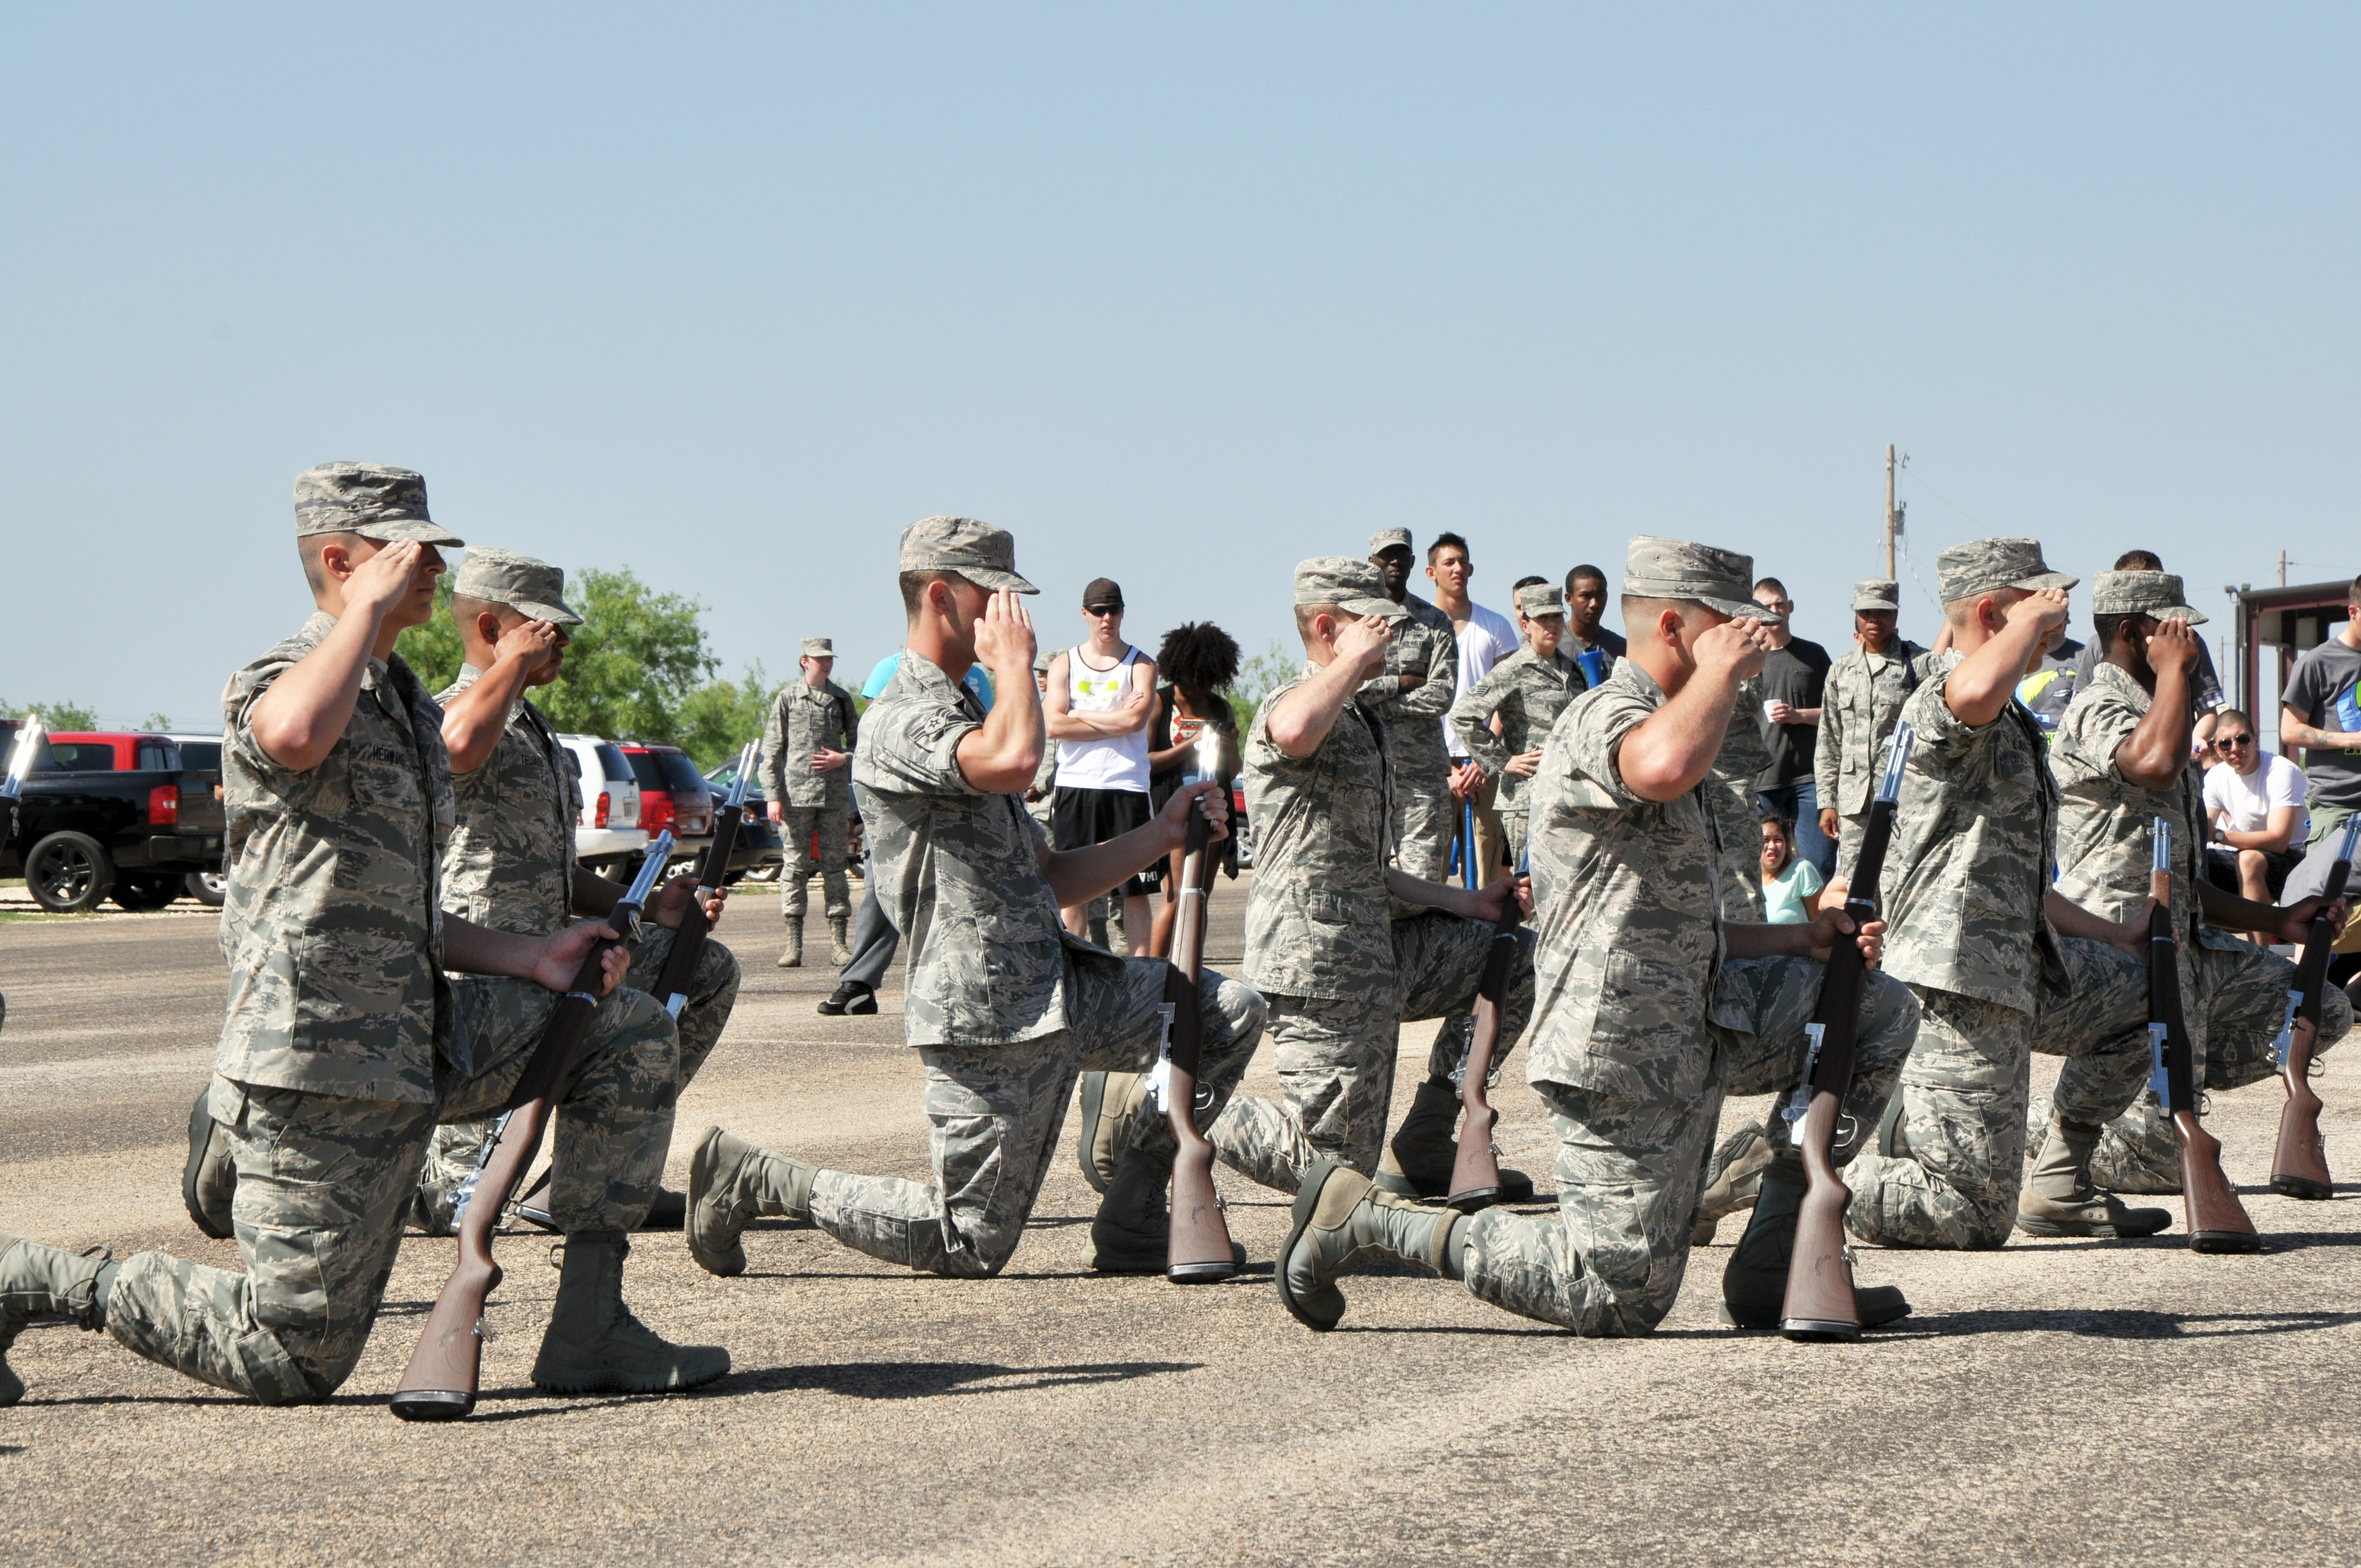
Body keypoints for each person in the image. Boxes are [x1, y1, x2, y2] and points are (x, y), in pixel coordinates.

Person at [8, 462, 725, 1410]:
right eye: (408, 549)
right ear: (343, 561)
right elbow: (294, 733)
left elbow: (402, 907)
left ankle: (589, 1322)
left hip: (420, 1033)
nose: (433, 565)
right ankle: (33, 1276)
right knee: (292, 1355)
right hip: (317, 1060)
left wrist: (526, 954)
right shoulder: (280, 675)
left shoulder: (404, 703)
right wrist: (359, 616)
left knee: (627, 1028)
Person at [1272, 537, 1921, 1337]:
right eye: (1736, 628)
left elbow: (1687, 929)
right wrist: (1719, 676)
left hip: (1703, 1017)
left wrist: (1804, 943)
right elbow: (1657, 765)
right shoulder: (1605, 716)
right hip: (1620, 1051)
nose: (1759, 642)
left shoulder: (1695, 733)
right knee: (1615, 1296)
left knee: (1878, 1012)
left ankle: (1776, 1259)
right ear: (1679, 627)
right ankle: (1365, 1220)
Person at [686, 516, 1264, 1280]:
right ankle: (754, 1178)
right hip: (985, 1018)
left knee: (1223, 1015)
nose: (1010, 616)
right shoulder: (901, 717)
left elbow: (1049, 872)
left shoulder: (964, 712)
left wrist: (1161, 834)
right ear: (941, 596)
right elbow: (1019, 759)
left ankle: (1131, 1215)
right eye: (995, 597)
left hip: (1062, 987)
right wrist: (1021, 668)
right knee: (968, 1242)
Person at [1840, 540, 2184, 1251]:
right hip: (1960, 978)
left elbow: (2018, 875)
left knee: (2148, 993)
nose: (2056, 623)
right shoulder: (1940, 691)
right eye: (2038, 605)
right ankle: (1791, 1172)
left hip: (2025, 963)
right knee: (1969, 1213)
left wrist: (2114, 935)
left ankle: (2062, 1176)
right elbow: (1967, 693)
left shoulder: (2015, 719)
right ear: (1994, 612)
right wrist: (2028, 624)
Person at [1171, 557, 1535, 1208]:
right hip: (1318, 966)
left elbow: (1371, 868)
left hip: (1380, 949)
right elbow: (1289, 730)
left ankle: (1429, 1131)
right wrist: (1348, 662)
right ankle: (1166, 1100)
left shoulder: (1364, 721)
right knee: (1335, 1171)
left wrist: (1467, 900)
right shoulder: (1295, 702)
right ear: (1325, 627)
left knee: (1514, 961)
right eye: (1372, 628)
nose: (1389, 638)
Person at [408, 548, 741, 1236]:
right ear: (495, 628)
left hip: (556, 954)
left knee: (704, 969)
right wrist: (512, 666)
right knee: (459, 1206)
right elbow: (458, 745)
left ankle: (603, 1171)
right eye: (546, 630)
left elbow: (553, 870)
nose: (562, 643)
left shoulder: (531, 725)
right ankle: (254, 1148)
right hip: (485, 968)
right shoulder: (455, 712)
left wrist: (650, 905)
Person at [2032, 572, 2352, 1197]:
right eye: (2174, 633)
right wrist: (2175, 673)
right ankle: (2068, 1139)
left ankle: (2164, 1092)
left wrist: (2280, 922)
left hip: (2186, 943)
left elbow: (2185, 880)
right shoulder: (2102, 706)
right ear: (2132, 635)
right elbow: (2149, 764)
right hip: (2120, 944)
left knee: (2319, 1008)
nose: (2191, 647)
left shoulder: (2165, 717)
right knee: (2157, 1172)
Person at [1075, 621, 1243, 1196]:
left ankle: (1176, 968)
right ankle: (1158, 973)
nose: (1196, 683)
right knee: (1173, 898)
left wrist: (1219, 748)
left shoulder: (1219, 707)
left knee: (1196, 899)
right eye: (1191, 675)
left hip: (1213, 808)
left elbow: (1234, 758)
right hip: (1171, 807)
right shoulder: (1165, 701)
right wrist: (1185, 747)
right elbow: (1144, 758)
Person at [814, 648, 995, 1018]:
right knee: (880, 892)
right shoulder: (890, 670)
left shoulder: (978, 678)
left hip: (960, 801)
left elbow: (990, 733)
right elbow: (872, 735)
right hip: (900, 803)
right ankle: (859, 985)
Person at [1045, 578, 1161, 946]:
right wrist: (1113, 718)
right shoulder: (1064, 664)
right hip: (1076, 785)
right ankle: (1070, 974)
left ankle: (1144, 975)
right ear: (1085, 614)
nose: (1106, 618)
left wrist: (1080, 715)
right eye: (1098, 611)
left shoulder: (1141, 664)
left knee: (1136, 891)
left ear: (1123, 613)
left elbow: (1135, 721)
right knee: (1070, 892)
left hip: (1126, 786)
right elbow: (1052, 724)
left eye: (1113, 610)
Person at [1450, 581, 1586, 873]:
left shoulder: (1573, 671)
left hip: (1568, 796)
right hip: (1527, 800)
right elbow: (1462, 715)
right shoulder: (1512, 670)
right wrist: (1503, 761)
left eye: (1556, 616)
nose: (1552, 624)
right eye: (1542, 618)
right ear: (1526, 625)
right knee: (1532, 892)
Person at [1814, 580, 1929, 876]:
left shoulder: (1918, 664)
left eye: (1883, 612)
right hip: (1853, 800)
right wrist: (1827, 802)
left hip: (1900, 797)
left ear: (1896, 616)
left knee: (1897, 879)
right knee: (1856, 881)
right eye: (1867, 613)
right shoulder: (1841, 670)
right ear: (1856, 617)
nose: (1874, 620)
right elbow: (1829, 740)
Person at [1363, 529, 1460, 882]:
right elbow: (1348, 690)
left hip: (1421, 776)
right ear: (1371, 562)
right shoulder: (1356, 621)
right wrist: (1400, 683)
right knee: (1365, 882)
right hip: (1366, 772)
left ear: (1413, 563)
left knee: (1425, 885)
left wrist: (1380, 701)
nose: (1394, 561)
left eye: (1402, 555)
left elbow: (1442, 695)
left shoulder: (1433, 622)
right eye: (1386, 555)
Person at [761, 636, 859, 968]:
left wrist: (842, 760)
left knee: (836, 868)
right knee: (795, 868)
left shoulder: (841, 699)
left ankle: (840, 945)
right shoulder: (788, 699)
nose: (827, 664)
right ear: (805, 661)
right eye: (820, 659)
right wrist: (772, 796)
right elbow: (772, 751)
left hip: (833, 798)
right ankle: (794, 944)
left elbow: (862, 749)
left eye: (830, 658)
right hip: (795, 798)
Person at [1427, 532, 1519, 882]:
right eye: (1449, 562)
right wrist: (1444, 768)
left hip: (1484, 766)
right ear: (1431, 572)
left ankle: (1488, 939)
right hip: (1435, 765)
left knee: (1486, 872)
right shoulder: (1419, 627)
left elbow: (1509, 701)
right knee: (1430, 873)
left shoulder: (1495, 627)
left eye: (1463, 562)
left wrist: (1484, 758)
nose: (1457, 569)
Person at [2070, 552, 2222, 755]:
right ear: (2130, 632)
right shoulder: (2099, 695)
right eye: (2162, 621)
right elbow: (2153, 765)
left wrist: (2197, 737)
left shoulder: (2188, 642)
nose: (2175, 629)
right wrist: (2172, 667)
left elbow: (2207, 708)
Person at [1751, 577, 1836, 880]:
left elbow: (1837, 714)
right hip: (1763, 780)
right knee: (1760, 868)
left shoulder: (1814, 656)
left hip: (1809, 779)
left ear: (1790, 607)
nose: (1774, 610)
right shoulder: (1747, 660)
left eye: (1779, 604)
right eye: (1765, 606)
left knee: (1818, 867)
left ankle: (1818, 927)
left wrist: (1799, 715)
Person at [2279, 573, 2361, 852]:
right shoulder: (2317, 662)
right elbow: (2289, 731)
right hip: (2337, 806)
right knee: (2329, 895)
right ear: (2354, 611)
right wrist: (2352, 740)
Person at [2202, 708, 2308, 902]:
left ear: (2256, 739)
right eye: (2225, 743)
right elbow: (2205, 826)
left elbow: (2279, 841)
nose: (2235, 748)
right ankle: (2204, 932)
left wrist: (2218, 835)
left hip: (2295, 862)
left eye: (2242, 739)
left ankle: (2265, 932)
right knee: (2193, 862)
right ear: (2217, 749)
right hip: (2246, 856)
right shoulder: (2216, 776)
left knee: (2249, 860)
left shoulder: (2281, 771)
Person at [1758, 815, 1825, 924]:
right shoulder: (1747, 880)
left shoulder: (1801, 870)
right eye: (1765, 840)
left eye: (1778, 840)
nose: (1772, 846)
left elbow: (1817, 923)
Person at [1562, 563, 1626, 674]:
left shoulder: (1622, 648)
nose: (1594, 604)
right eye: (1586, 596)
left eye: (1601, 595)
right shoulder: (1553, 647)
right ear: (1569, 599)